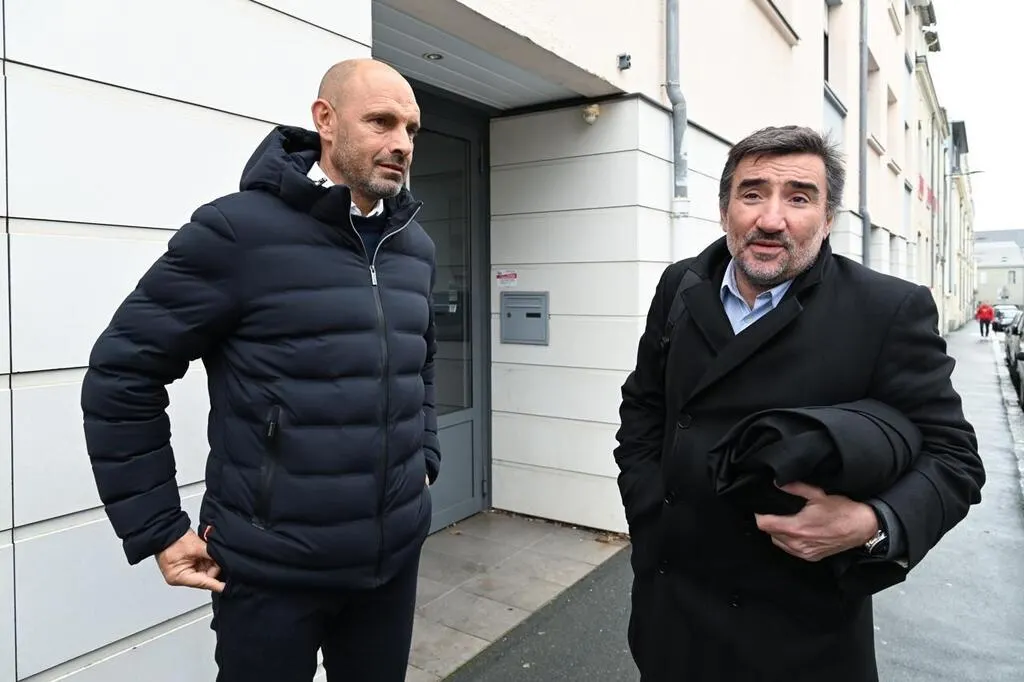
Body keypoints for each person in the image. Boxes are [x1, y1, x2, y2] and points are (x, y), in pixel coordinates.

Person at [81, 58, 439, 682]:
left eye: (410, 129)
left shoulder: (414, 246)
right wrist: (158, 528)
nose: (401, 144)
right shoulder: (237, 232)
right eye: (381, 122)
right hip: (272, 575)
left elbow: (420, 362)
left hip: (391, 565)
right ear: (325, 121)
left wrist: (424, 457)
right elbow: (122, 373)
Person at [613, 125, 985, 682]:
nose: (771, 218)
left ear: (828, 217)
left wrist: (872, 522)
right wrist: (647, 507)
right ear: (725, 211)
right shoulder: (680, 286)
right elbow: (644, 405)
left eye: (799, 197)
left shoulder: (886, 310)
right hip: (670, 611)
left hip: (796, 637)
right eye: (753, 192)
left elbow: (954, 459)